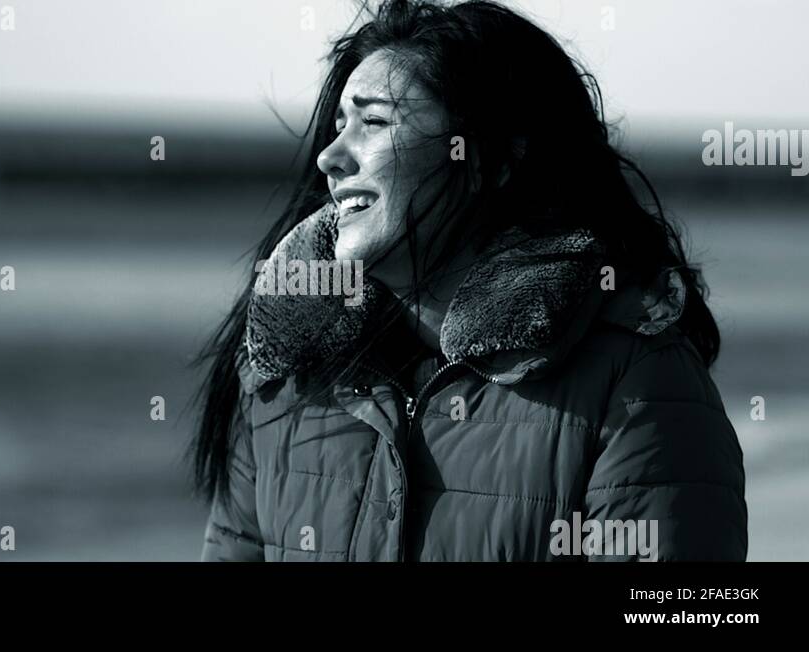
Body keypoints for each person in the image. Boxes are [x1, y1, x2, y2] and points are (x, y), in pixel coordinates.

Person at [190, 0, 747, 561]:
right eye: (339, 127)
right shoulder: (286, 379)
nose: (331, 157)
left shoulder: (637, 381)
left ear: (492, 160)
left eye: (375, 122)